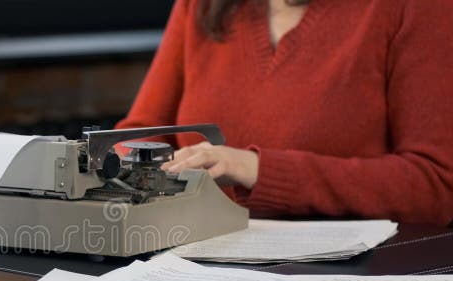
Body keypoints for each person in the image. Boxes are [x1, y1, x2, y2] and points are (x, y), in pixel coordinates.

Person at [115, 0, 453, 226]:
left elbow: (437, 185)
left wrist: (261, 171)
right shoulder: (202, 5)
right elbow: (142, 132)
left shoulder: (417, 8)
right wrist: (128, 169)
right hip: (196, 260)